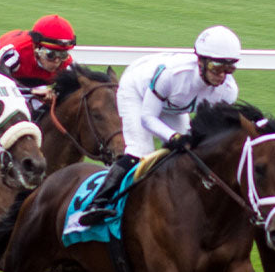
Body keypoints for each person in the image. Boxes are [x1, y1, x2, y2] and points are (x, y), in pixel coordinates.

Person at [78, 25, 242, 226]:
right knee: (140, 151)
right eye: (216, 68)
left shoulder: (228, 90)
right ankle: (98, 202)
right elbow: (148, 118)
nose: (222, 76)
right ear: (201, 61)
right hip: (137, 91)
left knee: (189, 155)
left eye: (229, 69)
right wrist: (174, 138)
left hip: (174, 104)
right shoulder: (174, 75)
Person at [0, 14, 77, 115]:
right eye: (50, 54)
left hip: (28, 79)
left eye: (63, 54)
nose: (57, 61)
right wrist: (31, 91)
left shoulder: (66, 64)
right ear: (36, 47)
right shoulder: (16, 53)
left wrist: (55, 94)